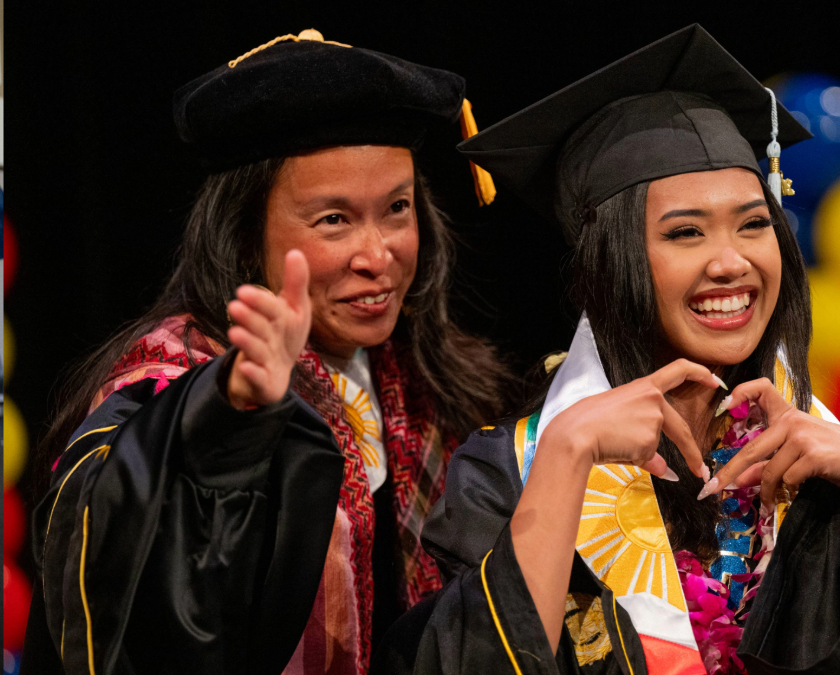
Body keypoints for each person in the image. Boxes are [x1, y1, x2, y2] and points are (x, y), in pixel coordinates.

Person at [391, 25, 840, 675]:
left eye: (754, 224)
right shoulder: (510, 470)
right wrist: (565, 458)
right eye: (686, 232)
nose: (732, 262)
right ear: (611, 264)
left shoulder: (828, 466)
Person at [23, 30, 510, 675]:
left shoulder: (430, 377)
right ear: (246, 231)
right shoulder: (175, 376)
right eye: (333, 219)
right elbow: (120, 588)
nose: (377, 256)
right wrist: (226, 420)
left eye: (397, 208)